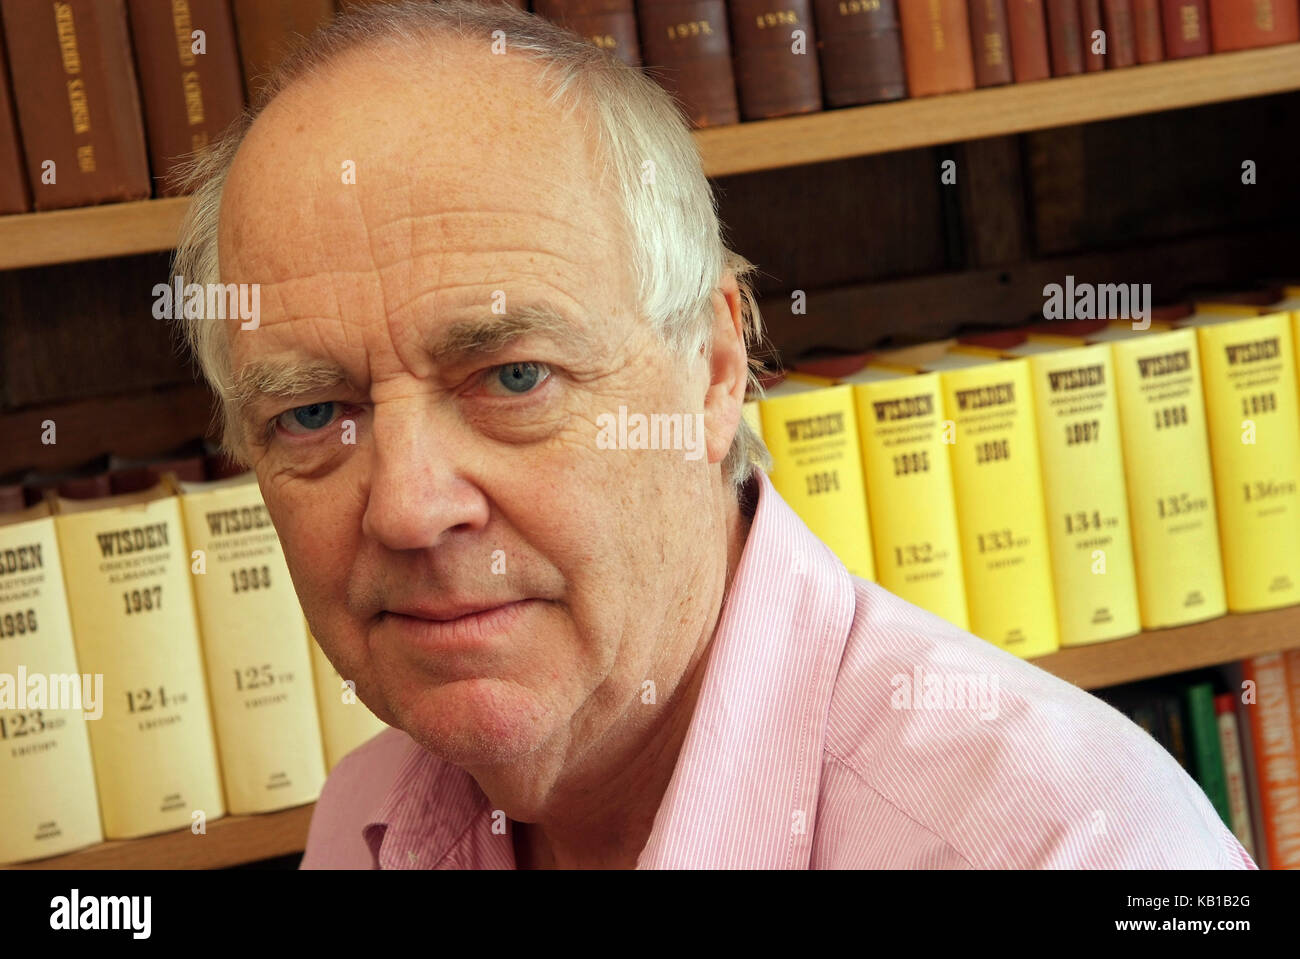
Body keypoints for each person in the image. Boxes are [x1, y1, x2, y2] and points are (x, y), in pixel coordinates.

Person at [173, 0, 1254, 869]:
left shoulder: (1063, 843)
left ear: (713, 372)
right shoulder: (366, 821)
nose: (407, 506)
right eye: (311, 413)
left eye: (513, 375)